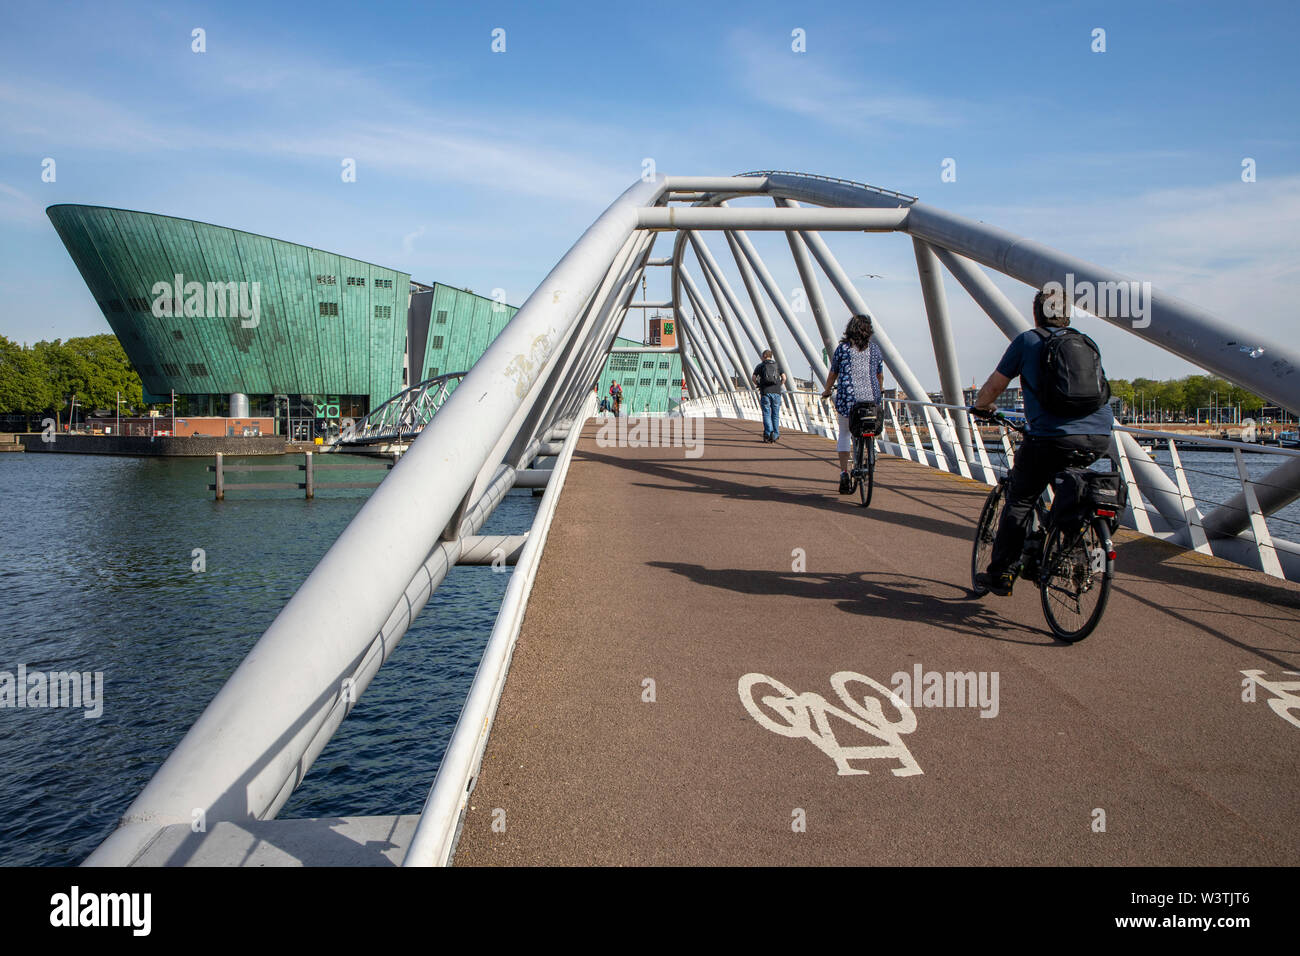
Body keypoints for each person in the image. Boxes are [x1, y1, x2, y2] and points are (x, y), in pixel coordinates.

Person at [971, 289, 1114, 596]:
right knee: (1076, 492)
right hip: (1100, 435)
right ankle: (1082, 555)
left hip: (1051, 438)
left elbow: (995, 386)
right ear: (1067, 316)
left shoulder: (1028, 341)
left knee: (1021, 499)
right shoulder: (1086, 343)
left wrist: (981, 407)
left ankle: (1002, 574)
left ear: (1036, 314)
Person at [821, 314, 884, 494]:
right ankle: (872, 453)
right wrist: (880, 390)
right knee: (870, 425)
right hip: (872, 399)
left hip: (848, 399)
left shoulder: (842, 349)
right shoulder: (875, 350)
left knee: (845, 434)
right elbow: (879, 375)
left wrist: (827, 390)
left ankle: (844, 472)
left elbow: (833, 374)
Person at [751, 350, 787, 442]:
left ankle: (768, 433)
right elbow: (784, 378)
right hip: (776, 393)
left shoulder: (761, 366)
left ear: (764, 356)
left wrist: (759, 384)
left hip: (765, 392)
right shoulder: (777, 365)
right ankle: (775, 434)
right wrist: (779, 385)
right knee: (775, 414)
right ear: (771, 356)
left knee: (766, 413)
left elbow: (753, 378)